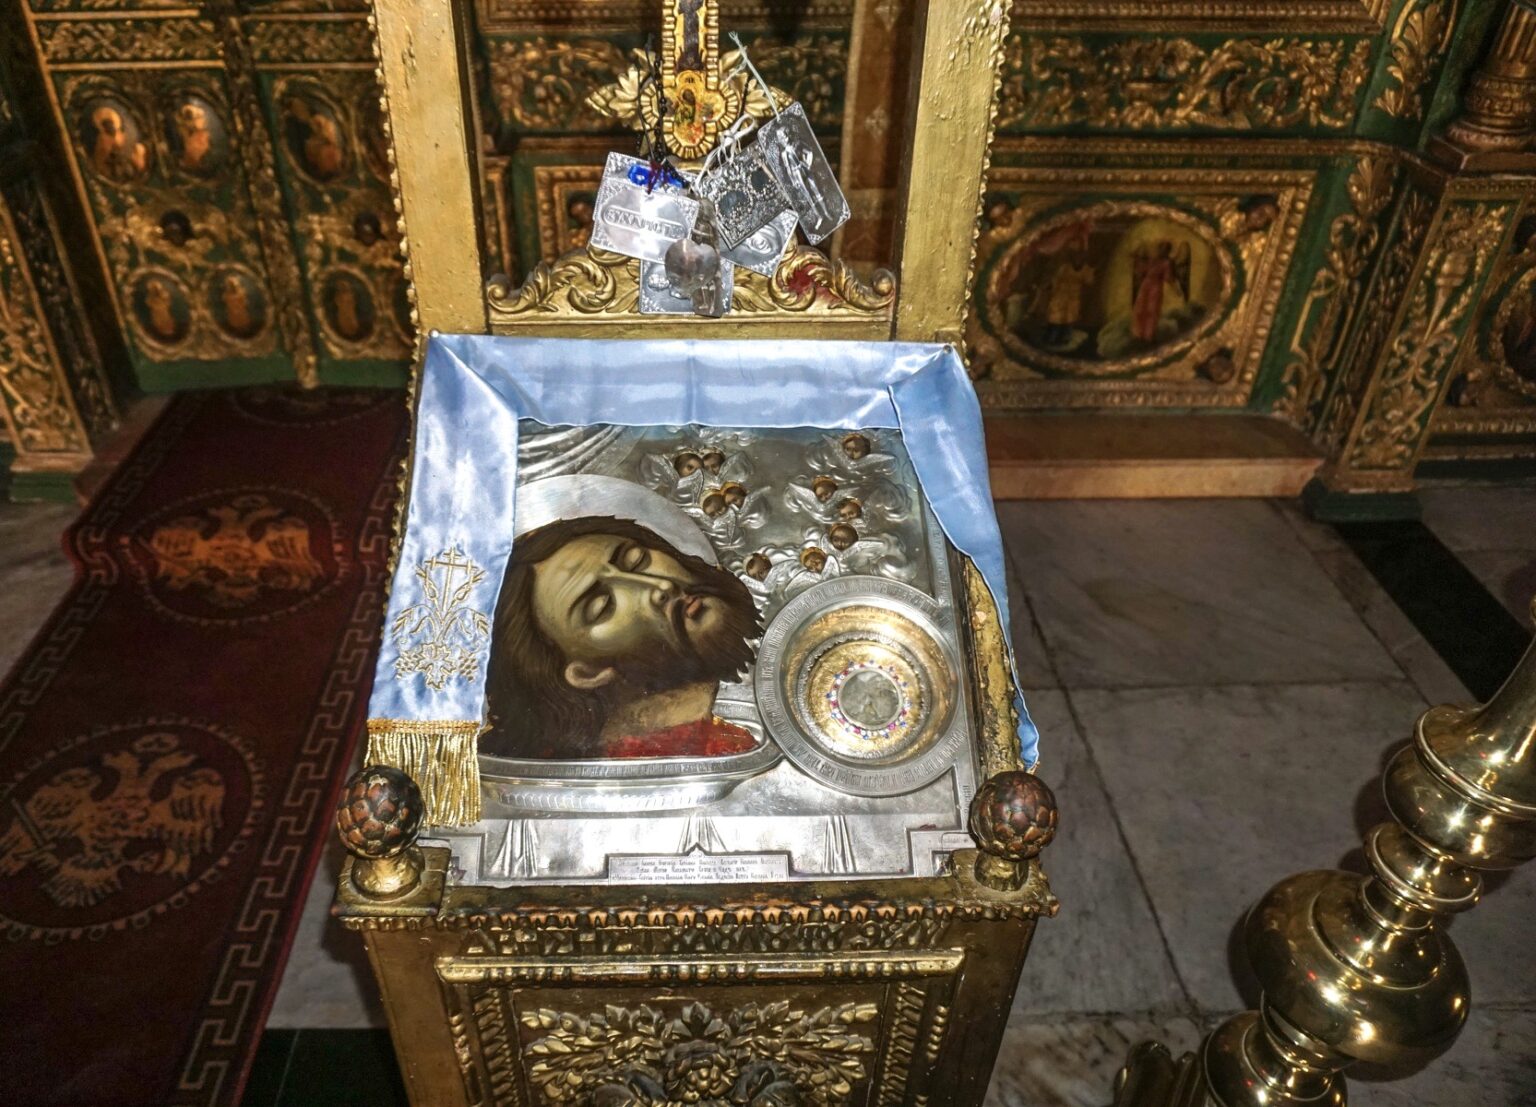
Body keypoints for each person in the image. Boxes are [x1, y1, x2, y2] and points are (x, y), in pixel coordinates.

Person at [482, 515, 762, 759]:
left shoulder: (737, 739)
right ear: (587, 671)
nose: (662, 586)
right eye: (602, 605)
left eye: (636, 560)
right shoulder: (653, 764)